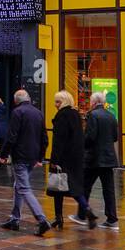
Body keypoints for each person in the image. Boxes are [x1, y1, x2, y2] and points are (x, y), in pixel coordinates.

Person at [0, 90, 52, 236]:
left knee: (24, 188)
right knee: (19, 186)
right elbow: (44, 138)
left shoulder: (18, 112)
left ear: (16, 101)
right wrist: (40, 157)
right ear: (28, 98)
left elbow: (11, 137)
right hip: (33, 156)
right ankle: (15, 219)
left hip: (20, 156)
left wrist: (3, 155)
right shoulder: (38, 113)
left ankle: (42, 220)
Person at [47, 90, 94, 229]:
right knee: (74, 188)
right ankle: (87, 210)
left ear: (64, 102)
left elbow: (59, 141)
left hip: (63, 158)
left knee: (58, 188)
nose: (55, 105)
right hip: (76, 158)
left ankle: (59, 218)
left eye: (58, 102)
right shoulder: (76, 115)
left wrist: (54, 160)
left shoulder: (62, 116)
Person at [83, 92, 120, 230]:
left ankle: (82, 214)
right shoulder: (111, 115)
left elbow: (90, 137)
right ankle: (112, 219)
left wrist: (83, 145)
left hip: (94, 158)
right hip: (109, 158)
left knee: (85, 186)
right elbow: (115, 137)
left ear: (93, 102)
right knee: (109, 190)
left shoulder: (93, 115)